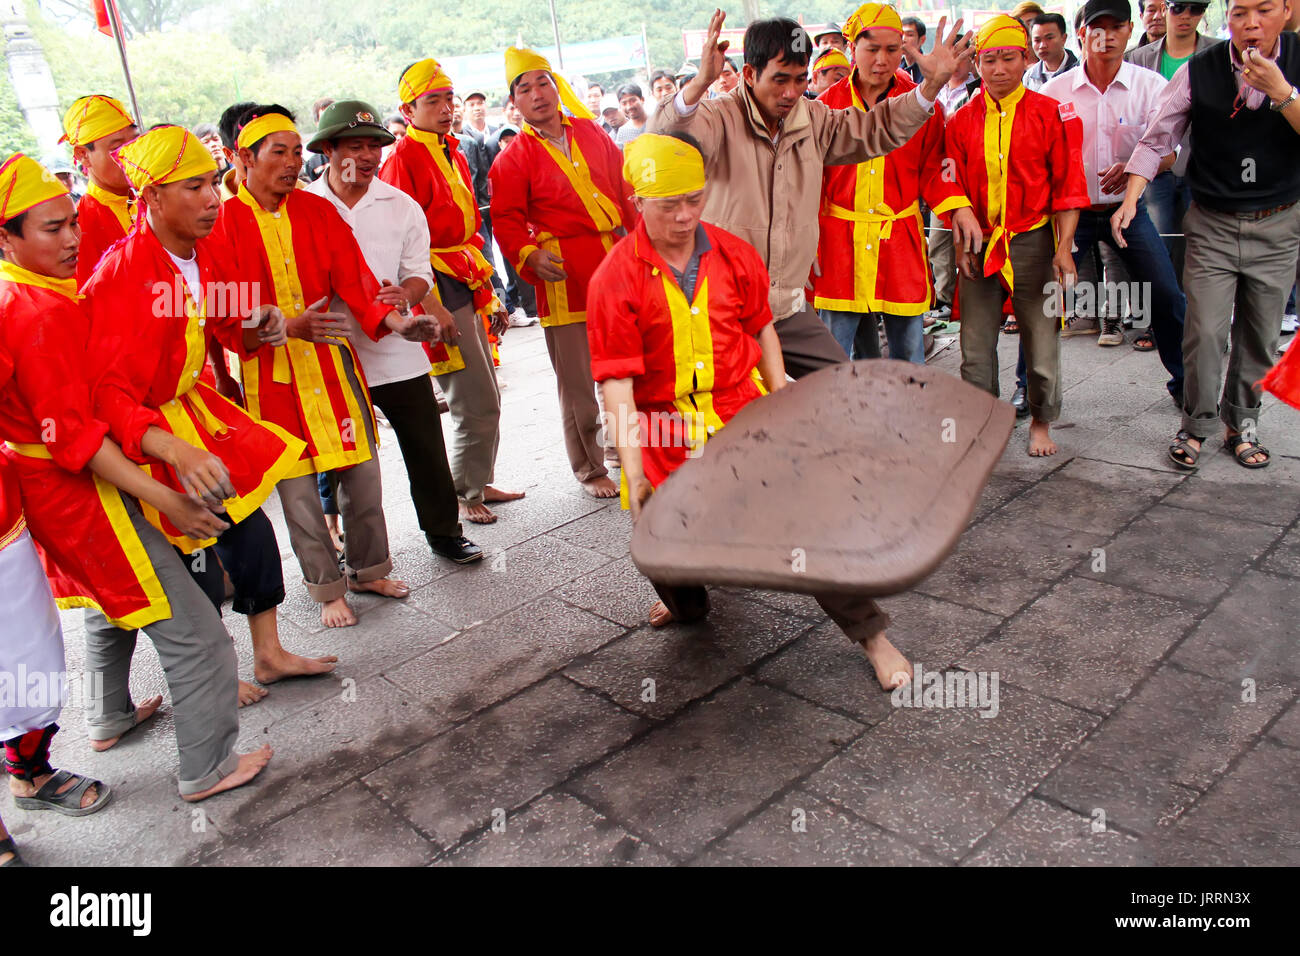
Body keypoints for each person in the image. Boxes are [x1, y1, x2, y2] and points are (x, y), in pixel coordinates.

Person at [589, 132, 914, 691]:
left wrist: (780, 398)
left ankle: (873, 637)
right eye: (670, 205)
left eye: (695, 199)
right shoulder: (613, 277)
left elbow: (761, 327)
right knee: (659, 539)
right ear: (637, 203)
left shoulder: (733, 253)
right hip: (664, 425)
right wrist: (635, 471)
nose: (688, 215)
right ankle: (687, 606)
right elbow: (616, 381)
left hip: (738, 407)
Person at [0, 152, 272, 801]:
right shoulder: (46, 308)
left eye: (71, 224)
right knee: (195, 632)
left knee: (108, 604)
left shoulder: (34, 290)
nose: (71, 240)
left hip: (45, 486)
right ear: (6, 237)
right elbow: (78, 434)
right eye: (50, 229)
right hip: (71, 490)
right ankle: (207, 767)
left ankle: (110, 716)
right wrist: (167, 491)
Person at [84, 124, 341, 702]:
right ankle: (213, 671)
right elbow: (107, 394)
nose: (212, 199)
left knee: (251, 529)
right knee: (189, 546)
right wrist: (171, 449)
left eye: (211, 184)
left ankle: (269, 654)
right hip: (148, 432)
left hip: (196, 412)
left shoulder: (198, 253)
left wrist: (264, 322)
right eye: (194, 187)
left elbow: (228, 320)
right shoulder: (126, 275)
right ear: (151, 198)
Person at [649, 11, 973, 378]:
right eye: (780, 79)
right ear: (750, 74)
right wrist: (698, 84)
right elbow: (666, 135)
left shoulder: (814, 118)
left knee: (836, 384)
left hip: (787, 307)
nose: (791, 92)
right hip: (725, 306)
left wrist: (929, 88)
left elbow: (875, 129)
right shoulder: (719, 117)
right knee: (737, 402)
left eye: (800, 79)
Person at [212, 104, 426, 626]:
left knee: (363, 471)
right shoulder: (222, 225)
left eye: (293, 151)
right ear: (244, 158)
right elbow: (225, 313)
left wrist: (400, 323)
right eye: (277, 153)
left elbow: (355, 279)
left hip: (332, 363)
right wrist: (288, 326)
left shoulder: (316, 210)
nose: (290, 162)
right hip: (272, 379)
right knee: (300, 492)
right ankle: (328, 588)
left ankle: (370, 568)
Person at [1112, 0, 1300, 470]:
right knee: (1204, 331)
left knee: (1259, 334)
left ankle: (1243, 424)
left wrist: (1283, 93)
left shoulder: (1297, 60)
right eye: (1239, 13)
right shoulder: (1200, 70)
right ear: (1226, 19)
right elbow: (1158, 138)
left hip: (1278, 222)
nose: (1251, 24)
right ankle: (1196, 423)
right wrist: (1132, 196)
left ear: (1286, 12)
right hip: (1213, 221)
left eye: (1263, 11)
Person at [307, 101, 482, 563]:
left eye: (375, 146)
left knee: (425, 448)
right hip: (334, 353)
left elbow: (419, 272)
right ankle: (356, 550)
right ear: (328, 150)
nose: (367, 156)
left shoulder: (401, 206)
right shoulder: (304, 207)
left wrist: (403, 292)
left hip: (399, 349)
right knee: (347, 461)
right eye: (355, 146)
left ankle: (445, 532)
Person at [489, 47, 639, 499]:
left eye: (543, 82)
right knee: (576, 380)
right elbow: (507, 221)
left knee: (625, 366)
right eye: (524, 88)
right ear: (514, 103)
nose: (537, 94)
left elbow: (626, 187)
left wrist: (641, 247)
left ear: (558, 88)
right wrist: (529, 254)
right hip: (564, 274)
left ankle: (626, 448)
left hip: (613, 260)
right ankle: (590, 467)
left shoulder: (593, 132)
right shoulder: (510, 159)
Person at [382, 62, 525, 524]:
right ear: (408, 109)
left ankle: (478, 480)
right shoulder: (401, 159)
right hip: (435, 282)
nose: (446, 109)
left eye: (449, 99)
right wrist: (431, 305)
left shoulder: (453, 149)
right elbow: (402, 246)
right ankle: (466, 492)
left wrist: (491, 294)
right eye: (433, 101)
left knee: (486, 394)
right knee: (472, 399)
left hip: (464, 273)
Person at [943, 14, 1090, 457]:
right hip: (978, 243)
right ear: (976, 64)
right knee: (974, 345)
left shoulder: (1051, 114)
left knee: (1041, 340)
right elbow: (949, 184)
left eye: (1008, 58)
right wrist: (958, 242)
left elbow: (1068, 186)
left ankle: (1042, 422)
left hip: (1034, 240)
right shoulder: (961, 120)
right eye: (989, 61)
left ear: (1026, 58)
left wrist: (1064, 251)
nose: (999, 69)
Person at [813, 3, 981, 365]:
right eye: (871, 49)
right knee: (835, 355)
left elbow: (936, 168)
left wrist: (959, 207)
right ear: (851, 47)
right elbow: (808, 179)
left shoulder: (922, 104)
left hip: (898, 242)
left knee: (908, 351)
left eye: (892, 50)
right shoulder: (825, 107)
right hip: (839, 245)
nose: (881, 59)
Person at [1041, 0, 1185, 401]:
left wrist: (1137, 164)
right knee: (1047, 301)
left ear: (1129, 30)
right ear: (1082, 33)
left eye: (1116, 26)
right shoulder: (1054, 92)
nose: (1106, 36)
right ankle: (1029, 388)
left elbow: (1171, 153)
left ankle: (1186, 385)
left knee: (1168, 296)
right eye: (1096, 27)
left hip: (1129, 210)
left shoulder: (1150, 86)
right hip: (1072, 213)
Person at [1127, 1, 1215, 282]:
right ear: (1166, 8)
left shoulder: (1218, 54)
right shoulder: (1138, 58)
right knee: (1155, 244)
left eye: (1197, 8)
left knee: (1198, 246)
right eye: (1179, 8)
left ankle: (1187, 310)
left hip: (1202, 165)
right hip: (1155, 164)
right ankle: (1155, 312)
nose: (1187, 16)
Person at [60, 94, 138, 287]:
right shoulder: (80, 227)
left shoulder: (154, 199)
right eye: (118, 147)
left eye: (136, 141)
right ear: (83, 155)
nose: (133, 154)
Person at [1025, 13, 1081, 89]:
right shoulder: (1030, 78)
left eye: (1049, 38)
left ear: (1063, 38)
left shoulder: (1080, 71)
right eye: (1037, 40)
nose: (1042, 46)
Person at [300, 97, 334, 184]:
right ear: (317, 123)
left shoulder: (360, 155)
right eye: (325, 119)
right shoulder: (313, 164)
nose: (331, 123)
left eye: (334, 117)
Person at [615, 83, 649, 147]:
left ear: (642, 99)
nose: (629, 107)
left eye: (633, 100)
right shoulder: (623, 132)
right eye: (624, 103)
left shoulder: (657, 122)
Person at [901, 16, 927, 81]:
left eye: (910, 35)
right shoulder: (895, 68)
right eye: (901, 34)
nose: (903, 39)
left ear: (922, 40)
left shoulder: (928, 69)